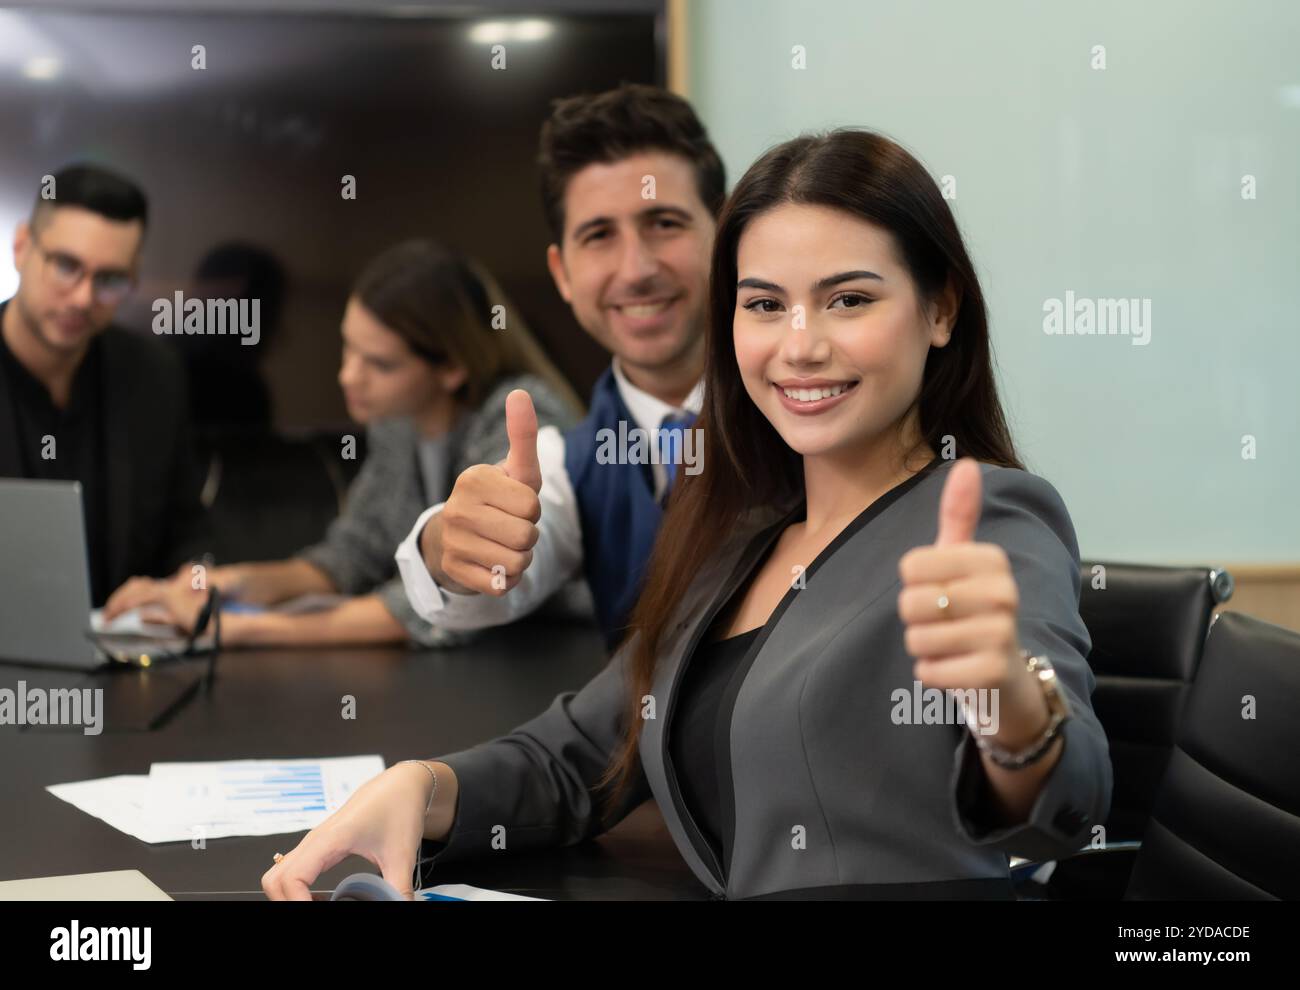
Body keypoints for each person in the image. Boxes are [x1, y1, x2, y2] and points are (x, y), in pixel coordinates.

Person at [261, 129, 1112, 900]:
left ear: (940, 310)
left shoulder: (994, 515)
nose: (800, 343)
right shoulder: (739, 534)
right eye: (764, 303)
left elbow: (1068, 805)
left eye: (849, 300)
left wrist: (1011, 708)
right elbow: (583, 753)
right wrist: (424, 786)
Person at [103, 239, 583, 647]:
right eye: (348, 348)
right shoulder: (397, 422)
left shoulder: (519, 416)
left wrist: (243, 631)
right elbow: (351, 556)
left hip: (544, 664)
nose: (347, 376)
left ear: (452, 368)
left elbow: (431, 604)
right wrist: (222, 585)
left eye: (379, 364)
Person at [395, 82, 725, 650]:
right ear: (563, 274)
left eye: (664, 223)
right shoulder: (561, 465)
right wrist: (446, 544)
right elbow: (496, 587)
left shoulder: (813, 406)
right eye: (599, 235)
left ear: (727, 235)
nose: (636, 268)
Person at [0, 163, 208, 607]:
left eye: (109, 280)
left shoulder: (155, 376)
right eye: (66, 266)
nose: (82, 298)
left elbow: (190, 535)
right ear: (21, 248)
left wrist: (191, 584)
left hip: (126, 656)